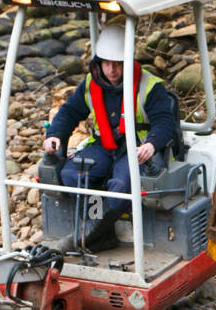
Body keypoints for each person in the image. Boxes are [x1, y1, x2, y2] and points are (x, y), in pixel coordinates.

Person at [41, 24, 178, 252]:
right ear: (99, 63)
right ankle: (100, 232)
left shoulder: (150, 86)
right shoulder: (90, 84)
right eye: (107, 64)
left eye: (117, 64)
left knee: (122, 184)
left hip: (136, 147)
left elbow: (165, 122)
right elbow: (69, 112)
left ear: (127, 62)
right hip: (103, 145)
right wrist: (54, 135)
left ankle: (88, 234)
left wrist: (152, 144)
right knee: (71, 173)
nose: (112, 70)